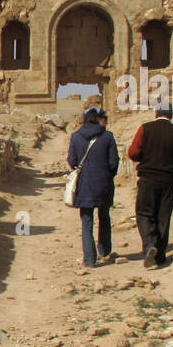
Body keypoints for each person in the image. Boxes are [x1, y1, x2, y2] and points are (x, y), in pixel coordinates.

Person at [127, 102, 173, 267]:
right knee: (163, 217)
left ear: (156, 112)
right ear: (171, 114)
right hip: (169, 180)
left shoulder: (145, 129)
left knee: (144, 213)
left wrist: (144, 158)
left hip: (148, 178)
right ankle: (160, 256)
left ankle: (150, 244)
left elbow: (133, 152)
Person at [66, 107, 119, 268]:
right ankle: (104, 251)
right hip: (104, 184)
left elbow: (72, 160)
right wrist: (107, 175)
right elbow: (114, 162)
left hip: (85, 184)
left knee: (87, 221)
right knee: (104, 217)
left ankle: (89, 260)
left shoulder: (76, 137)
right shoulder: (108, 137)